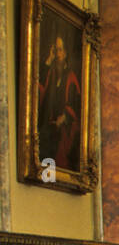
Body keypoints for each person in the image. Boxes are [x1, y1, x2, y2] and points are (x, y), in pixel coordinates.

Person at [38, 34, 81, 170]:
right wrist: (48, 60)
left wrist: (64, 117)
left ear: (66, 53)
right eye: (55, 50)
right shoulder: (51, 74)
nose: (58, 54)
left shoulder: (71, 77)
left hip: (62, 132)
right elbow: (37, 91)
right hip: (47, 129)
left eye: (60, 50)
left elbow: (76, 106)